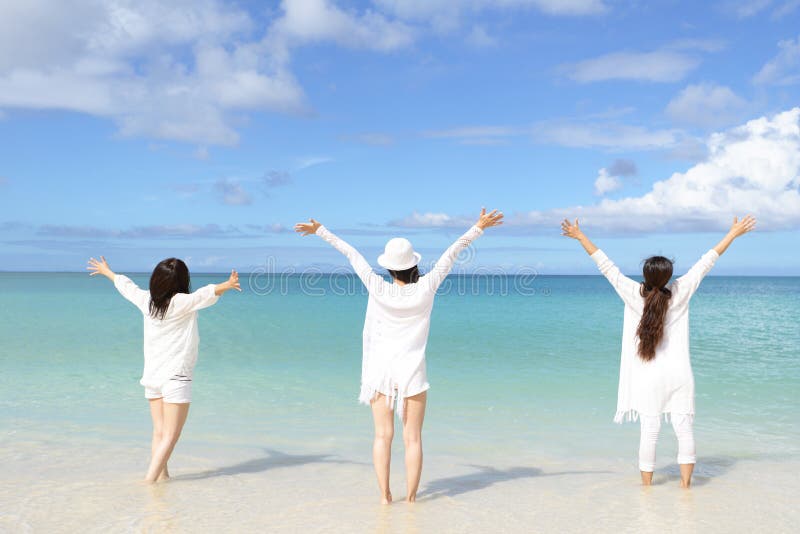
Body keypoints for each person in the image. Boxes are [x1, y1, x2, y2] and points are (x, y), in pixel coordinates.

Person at [295, 208, 504, 504]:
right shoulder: (427, 287)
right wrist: (478, 227)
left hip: (380, 373)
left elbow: (351, 255)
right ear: (413, 264)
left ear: (390, 268)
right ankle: (411, 501)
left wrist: (321, 231)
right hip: (413, 372)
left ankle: (384, 497)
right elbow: (452, 253)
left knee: (382, 437)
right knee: (413, 439)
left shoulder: (377, 286)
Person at [561, 215, 756, 488]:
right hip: (681, 375)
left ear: (645, 275)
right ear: (668, 276)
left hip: (650, 377)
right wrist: (733, 233)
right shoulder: (681, 290)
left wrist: (580, 236)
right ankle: (686, 488)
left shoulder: (632, 292)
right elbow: (708, 260)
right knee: (684, 430)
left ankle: (647, 490)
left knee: (649, 432)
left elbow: (606, 267)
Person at [87, 256, 240, 483]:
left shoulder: (147, 301)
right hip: (176, 377)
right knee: (171, 435)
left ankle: (163, 479)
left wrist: (108, 272)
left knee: (159, 432)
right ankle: (148, 481)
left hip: (153, 376)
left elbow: (127, 287)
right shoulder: (182, 302)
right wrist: (226, 285)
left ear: (156, 280)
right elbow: (207, 293)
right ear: (182, 281)